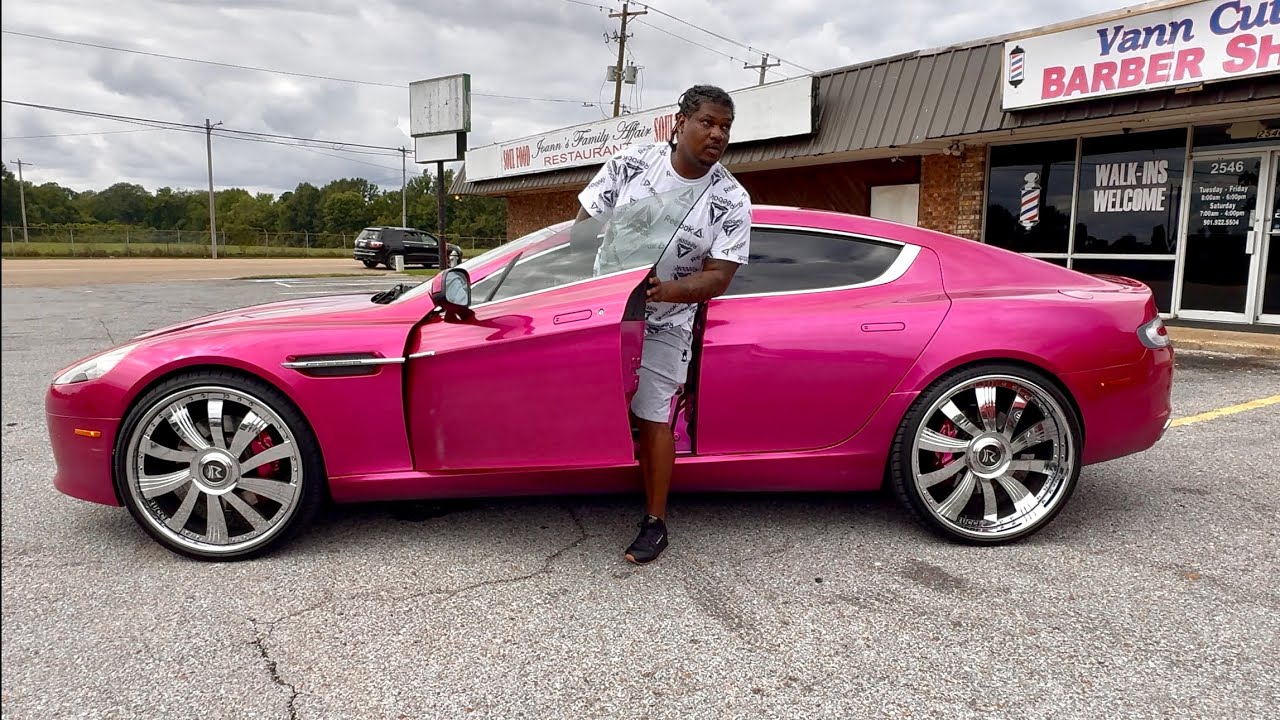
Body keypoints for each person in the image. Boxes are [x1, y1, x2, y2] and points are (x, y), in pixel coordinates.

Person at [573, 84, 752, 564]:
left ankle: (655, 522)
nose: (717, 134)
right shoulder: (634, 163)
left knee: (655, 413)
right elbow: (582, 227)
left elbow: (719, 276)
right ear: (679, 122)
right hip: (603, 311)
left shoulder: (730, 199)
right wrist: (611, 247)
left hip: (667, 319)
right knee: (581, 401)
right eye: (708, 122)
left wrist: (664, 291)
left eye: (725, 127)